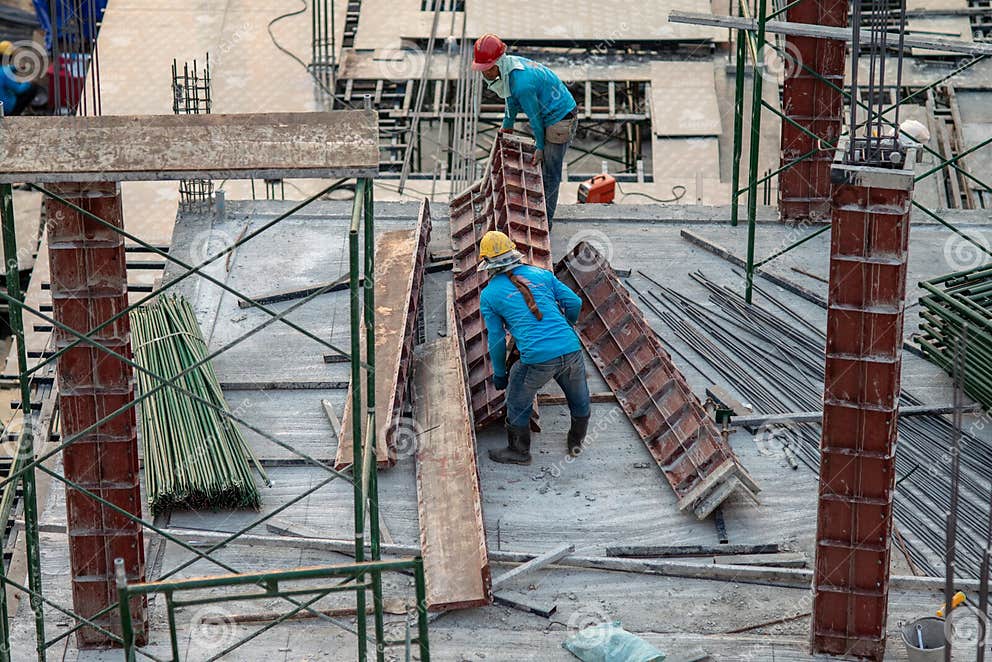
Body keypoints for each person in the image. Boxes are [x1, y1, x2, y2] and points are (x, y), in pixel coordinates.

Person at [478, 230, 591, 465]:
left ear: (488, 264)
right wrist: (566, 326)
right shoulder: (542, 274)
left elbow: (497, 339)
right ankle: (576, 441)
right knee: (578, 397)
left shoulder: (489, 295)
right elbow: (574, 302)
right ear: (513, 254)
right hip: (571, 348)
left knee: (518, 400)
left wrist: (500, 374)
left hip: (536, 359)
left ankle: (519, 452)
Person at [473, 34, 577, 226]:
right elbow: (510, 100)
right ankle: (539, 212)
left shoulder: (522, 84)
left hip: (560, 118)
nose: (483, 74)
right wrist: (508, 125)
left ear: (496, 64)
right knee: (543, 168)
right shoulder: (509, 68)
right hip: (549, 111)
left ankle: (546, 223)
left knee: (549, 174)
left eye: (486, 69)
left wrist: (539, 146)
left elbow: (535, 117)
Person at [0, 41, 39, 116]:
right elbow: (19, 90)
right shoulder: (6, 72)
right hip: (7, 108)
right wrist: (29, 82)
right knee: (33, 87)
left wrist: (16, 68)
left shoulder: (4, 70)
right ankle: (15, 113)